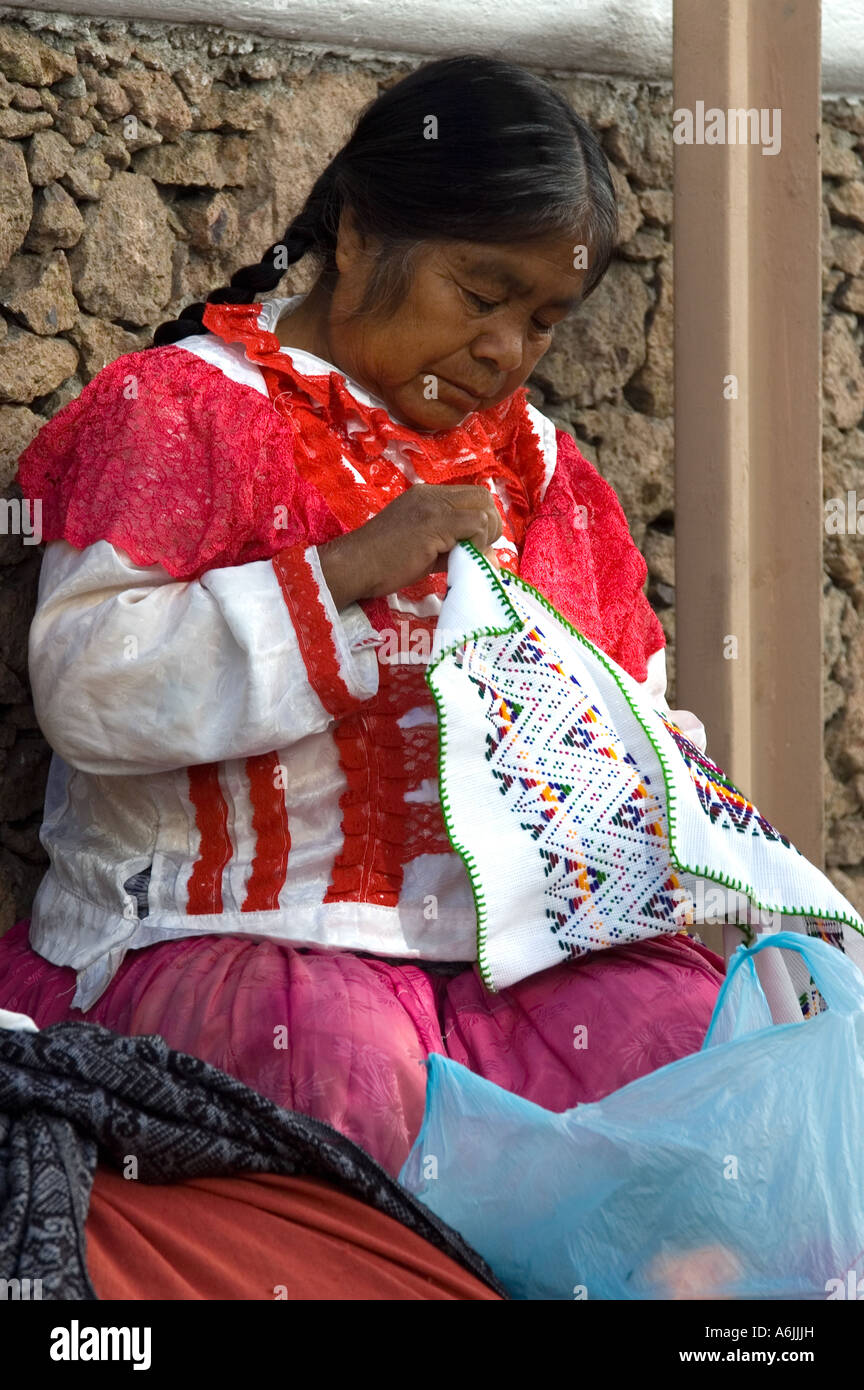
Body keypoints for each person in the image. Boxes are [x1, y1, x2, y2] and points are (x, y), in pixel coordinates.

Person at [0, 55, 723, 1181]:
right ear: (358, 235)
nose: (506, 351)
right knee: (345, 1082)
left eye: (544, 320)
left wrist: (663, 785)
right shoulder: (190, 409)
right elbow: (91, 687)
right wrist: (338, 572)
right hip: (240, 945)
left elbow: (626, 696)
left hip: (500, 961)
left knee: (694, 1056)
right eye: (479, 298)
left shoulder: (539, 471)